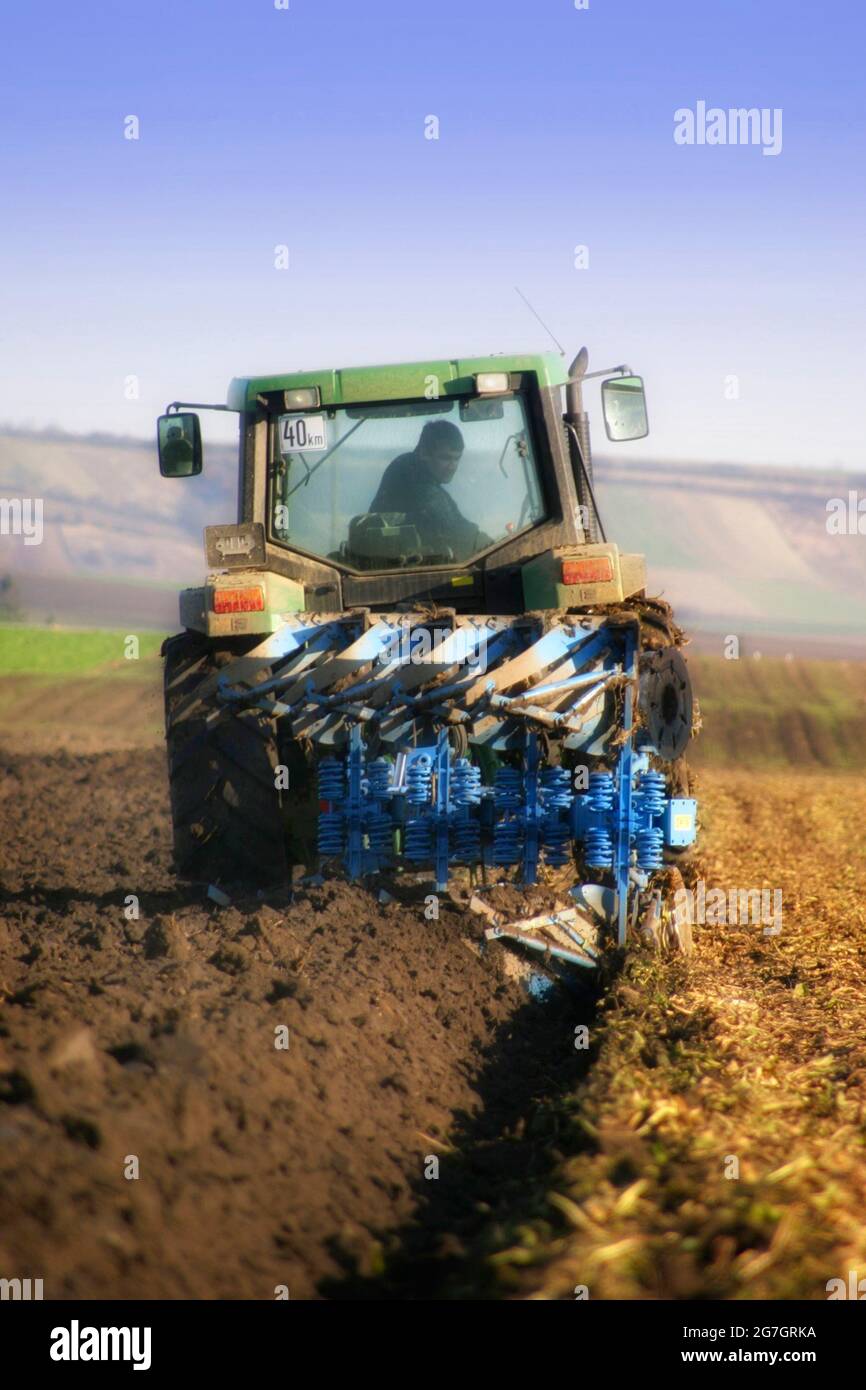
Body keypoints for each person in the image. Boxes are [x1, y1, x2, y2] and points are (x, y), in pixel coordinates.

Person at [368, 419, 492, 560]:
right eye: (445, 458)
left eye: (456, 459)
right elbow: (454, 526)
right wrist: (491, 546)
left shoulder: (410, 467)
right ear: (424, 454)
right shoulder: (413, 475)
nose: (452, 467)